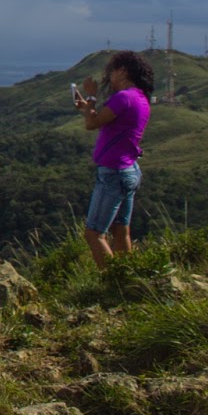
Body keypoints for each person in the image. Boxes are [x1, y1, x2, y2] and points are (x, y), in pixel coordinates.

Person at [74, 50, 154, 267]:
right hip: (129, 170)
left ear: (123, 71)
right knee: (121, 231)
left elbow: (92, 125)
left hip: (113, 172)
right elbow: (98, 119)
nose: (108, 76)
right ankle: (128, 277)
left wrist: (91, 95)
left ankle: (114, 284)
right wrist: (86, 108)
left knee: (94, 234)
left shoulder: (123, 98)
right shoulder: (140, 98)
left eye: (111, 71)